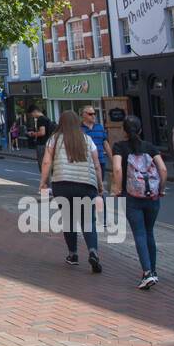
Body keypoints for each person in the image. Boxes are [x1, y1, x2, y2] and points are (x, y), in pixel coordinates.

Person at [38, 110, 105, 272]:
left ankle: (73, 254)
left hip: (62, 184)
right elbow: (96, 164)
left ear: (61, 122)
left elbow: (46, 162)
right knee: (88, 220)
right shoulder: (87, 139)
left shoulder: (54, 139)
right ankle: (93, 251)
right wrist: (100, 184)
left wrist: (43, 183)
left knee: (68, 219)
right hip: (86, 184)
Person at [111, 116, 167, 289]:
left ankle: (147, 272)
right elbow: (163, 169)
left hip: (132, 197)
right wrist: (161, 189)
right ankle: (154, 271)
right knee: (149, 232)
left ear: (124, 131)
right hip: (152, 196)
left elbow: (118, 169)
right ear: (140, 129)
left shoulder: (119, 147)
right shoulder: (150, 147)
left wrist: (118, 189)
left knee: (140, 234)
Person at [80, 106, 111, 227]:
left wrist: (113, 160)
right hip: (85, 164)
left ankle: (102, 219)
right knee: (88, 191)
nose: (93, 116)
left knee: (99, 190)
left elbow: (105, 144)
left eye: (94, 114)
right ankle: (89, 217)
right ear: (83, 115)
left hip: (101, 163)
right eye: (90, 114)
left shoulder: (99, 127)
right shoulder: (79, 129)